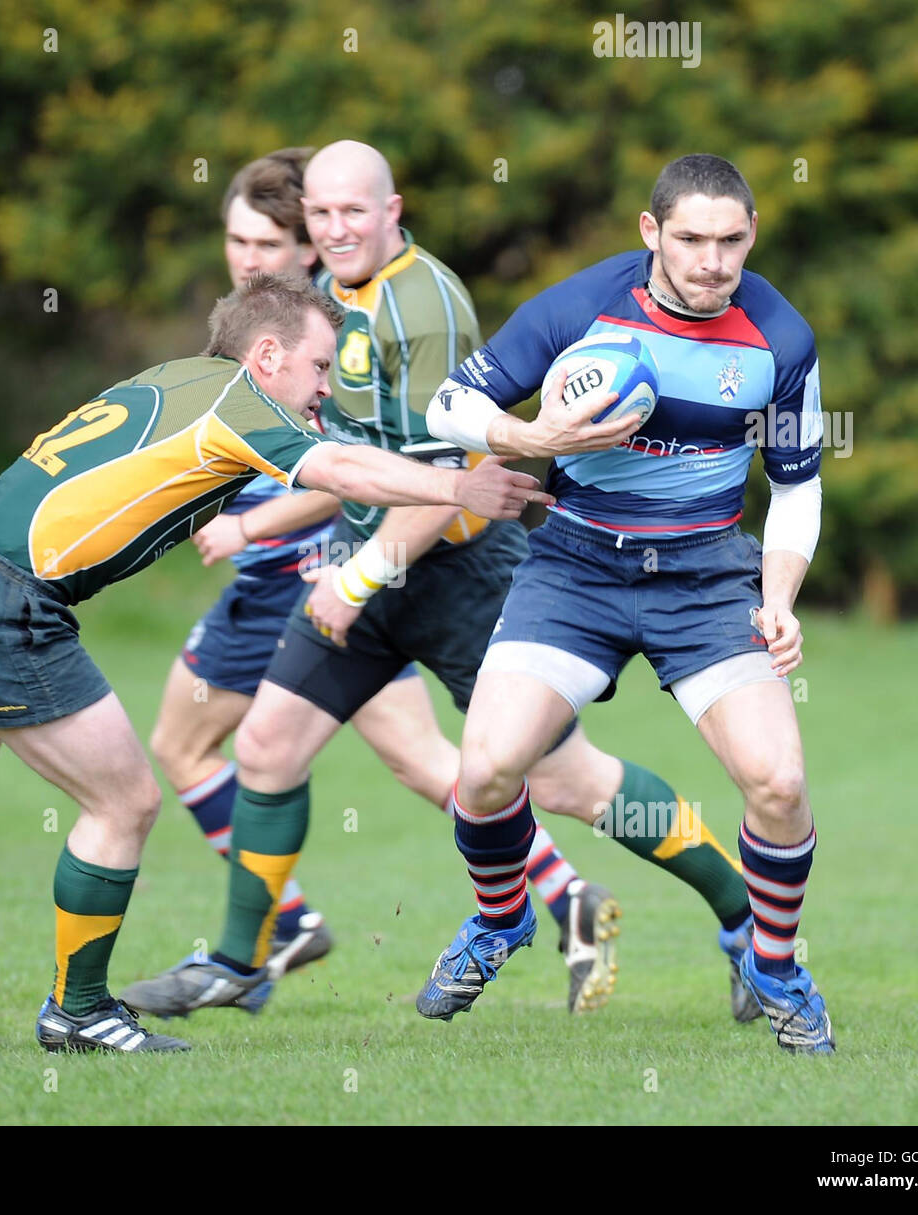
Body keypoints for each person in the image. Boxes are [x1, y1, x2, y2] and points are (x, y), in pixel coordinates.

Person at [0, 273, 547, 1056]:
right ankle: (78, 1013)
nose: (324, 387)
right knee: (123, 802)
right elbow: (337, 469)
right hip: (9, 601)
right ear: (266, 356)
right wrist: (455, 491)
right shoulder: (243, 403)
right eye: (319, 365)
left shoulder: (179, 379)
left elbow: (319, 473)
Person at [122, 141, 759, 1024]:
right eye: (321, 215)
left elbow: (451, 468)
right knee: (266, 749)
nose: (337, 228)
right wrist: (281, 532)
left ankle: (744, 920)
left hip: (459, 575)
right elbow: (358, 466)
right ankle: (241, 960)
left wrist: (356, 578)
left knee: (571, 782)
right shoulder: (331, 304)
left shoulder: (423, 302)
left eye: (355, 212)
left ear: (393, 209)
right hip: (371, 573)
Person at [147, 149, 596, 1001]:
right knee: (247, 745)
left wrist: (311, 551)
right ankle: (266, 942)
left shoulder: (343, 320)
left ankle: (574, 899)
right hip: (312, 575)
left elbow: (368, 470)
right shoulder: (274, 330)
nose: (248, 258)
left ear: (305, 250)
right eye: (234, 239)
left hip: (345, 569)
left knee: (479, 766)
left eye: (264, 241)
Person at [420, 153, 833, 1054]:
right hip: (575, 567)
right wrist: (531, 435)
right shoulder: (581, 310)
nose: (711, 261)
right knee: (485, 769)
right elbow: (449, 404)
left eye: (730, 240)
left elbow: (796, 488)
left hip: (705, 575)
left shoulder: (781, 338)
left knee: (780, 781)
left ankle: (776, 967)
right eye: (690, 239)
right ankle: (501, 921)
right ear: (651, 232)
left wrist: (778, 599)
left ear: (751, 235)